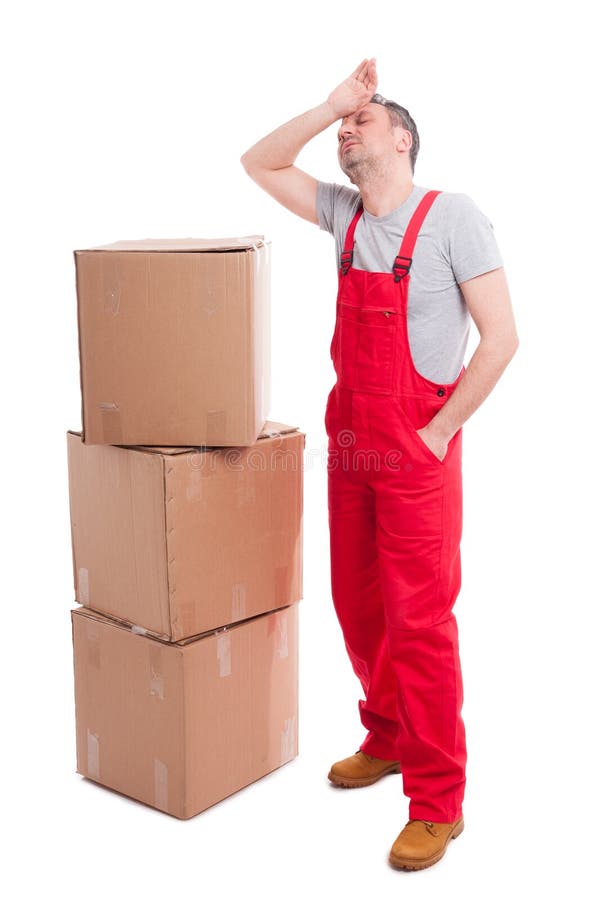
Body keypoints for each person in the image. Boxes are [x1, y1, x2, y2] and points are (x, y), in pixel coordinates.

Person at [240, 58, 518, 871]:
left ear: (403, 138)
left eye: (364, 120)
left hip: (416, 451)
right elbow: (257, 162)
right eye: (341, 128)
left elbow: (501, 340)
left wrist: (439, 435)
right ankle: (388, 734)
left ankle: (438, 800)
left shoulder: (453, 217)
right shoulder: (344, 215)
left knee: (420, 623)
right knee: (357, 606)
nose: (346, 131)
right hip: (353, 443)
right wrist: (329, 101)